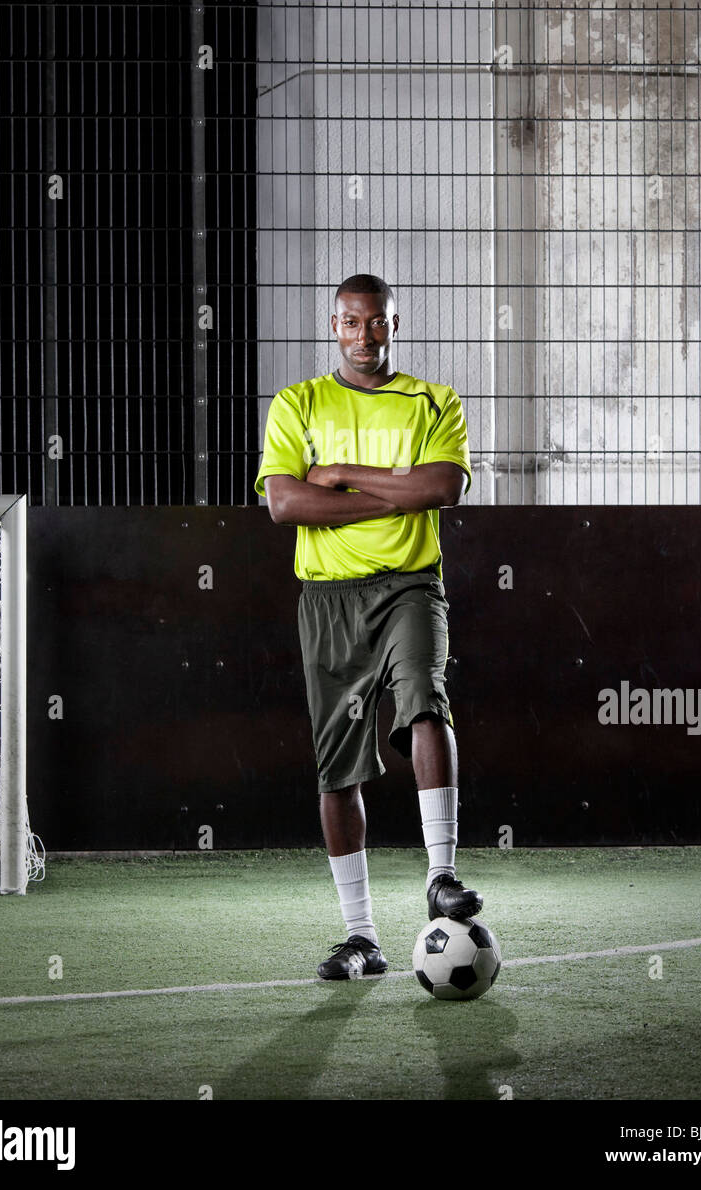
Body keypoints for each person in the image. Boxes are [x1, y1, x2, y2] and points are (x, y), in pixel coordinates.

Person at [255, 273, 482, 980]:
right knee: (337, 767)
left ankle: (440, 875)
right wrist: (394, 491)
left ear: (393, 323)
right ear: (333, 326)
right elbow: (286, 505)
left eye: (376, 322)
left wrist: (345, 474)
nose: (364, 336)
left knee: (425, 697)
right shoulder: (297, 403)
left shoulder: (433, 401)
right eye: (351, 324)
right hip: (328, 599)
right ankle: (362, 939)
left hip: (411, 584)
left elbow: (442, 488)